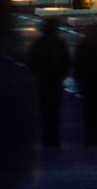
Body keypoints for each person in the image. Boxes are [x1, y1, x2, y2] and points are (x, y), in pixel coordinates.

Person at [27, 19, 71, 147]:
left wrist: (36, 73)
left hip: (44, 79)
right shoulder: (59, 43)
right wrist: (63, 74)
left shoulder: (40, 44)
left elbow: (31, 60)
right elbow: (66, 61)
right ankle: (53, 136)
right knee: (55, 108)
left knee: (45, 108)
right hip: (54, 80)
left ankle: (47, 135)